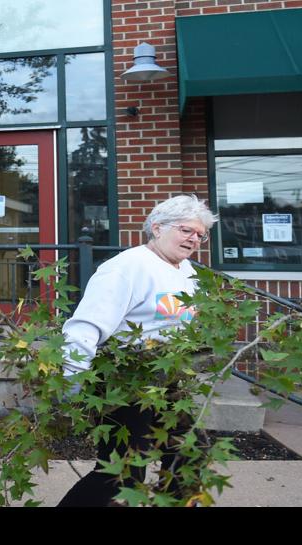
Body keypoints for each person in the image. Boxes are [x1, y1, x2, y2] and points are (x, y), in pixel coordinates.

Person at [56, 194, 217, 507]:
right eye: (187, 230)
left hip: (167, 384)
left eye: (200, 234)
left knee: (189, 453)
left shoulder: (187, 272)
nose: (194, 239)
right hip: (125, 383)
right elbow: (84, 328)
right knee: (121, 472)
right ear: (157, 228)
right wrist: (72, 384)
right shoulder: (126, 269)